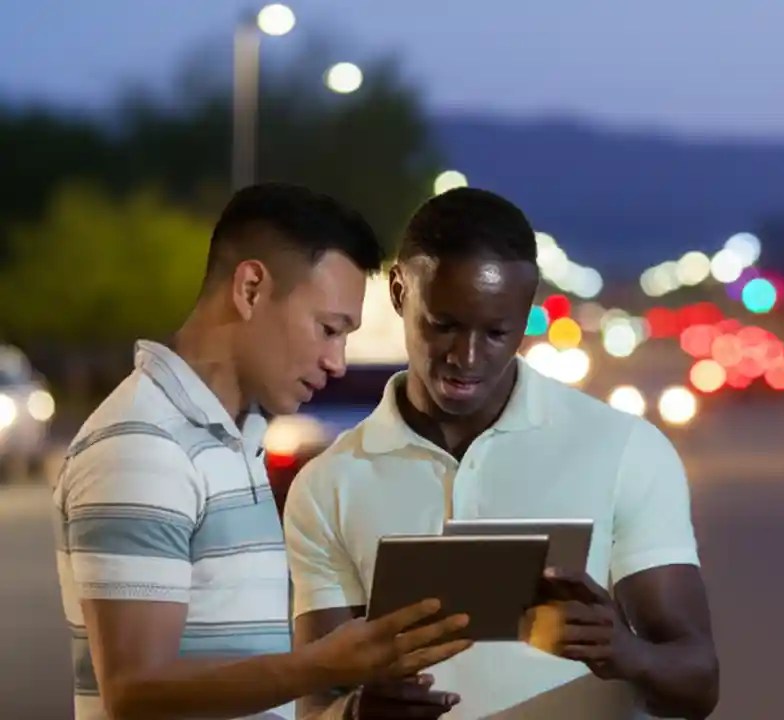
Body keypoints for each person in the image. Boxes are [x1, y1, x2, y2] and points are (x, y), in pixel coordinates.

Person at [283, 187, 720, 720]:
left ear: (526, 311)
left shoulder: (626, 451)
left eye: (496, 333)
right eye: (443, 325)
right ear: (399, 291)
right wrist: (355, 713)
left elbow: (698, 682)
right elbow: (315, 705)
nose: (466, 357)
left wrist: (628, 654)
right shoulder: (330, 484)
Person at [52, 183, 474, 720]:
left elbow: (237, 680)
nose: (337, 361)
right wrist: (324, 666)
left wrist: (353, 711)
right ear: (250, 288)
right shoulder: (142, 446)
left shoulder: (233, 439)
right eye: (328, 329)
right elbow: (135, 692)